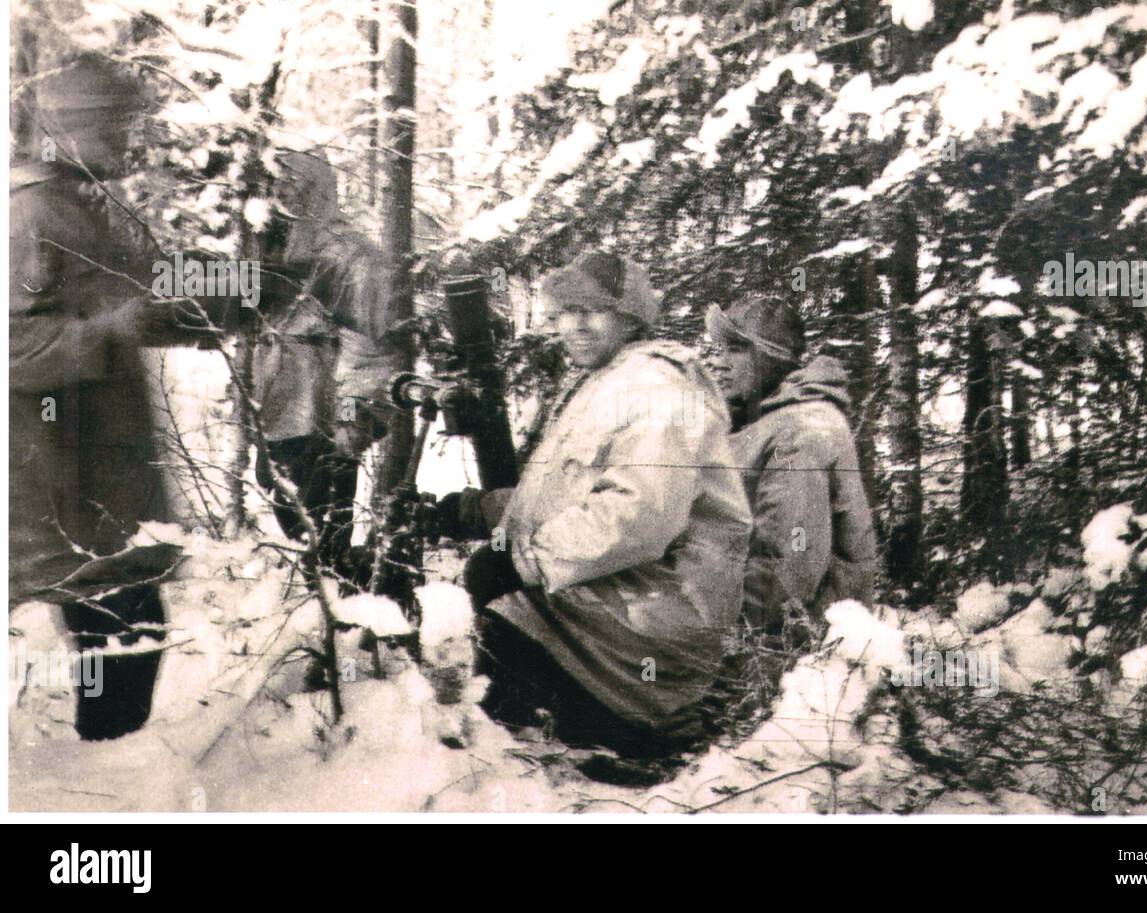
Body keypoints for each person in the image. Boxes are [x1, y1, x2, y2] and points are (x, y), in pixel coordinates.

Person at [9, 54, 250, 739]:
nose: (129, 139)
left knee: (128, 633)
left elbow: (145, 289)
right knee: (125, 635)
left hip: (102, 484)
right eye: (114, 124)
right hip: (63, 483)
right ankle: (100, 783)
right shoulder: (27, 213)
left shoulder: (87, 207)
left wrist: (244, 288)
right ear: (69, 126)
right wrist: (112, 330)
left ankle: (106, 767)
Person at [444, 251, 752, 757]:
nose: (576, 325)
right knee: (491, 611)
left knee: (503, 625)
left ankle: (634, 733)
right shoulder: (609, 380)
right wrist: (478, 512)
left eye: (594, 310)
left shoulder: (656, 388)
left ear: (631, 317)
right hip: (628, 597)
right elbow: (570, 495)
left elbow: (640, 514)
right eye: (565, 312)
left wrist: (527, 561)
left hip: (657, 617)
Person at [252, 151, 399, 571]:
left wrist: (349, 418)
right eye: (276, 182)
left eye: (291, 181)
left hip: (327, 411)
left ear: (316, 188)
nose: (280, 191)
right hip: (280, 409)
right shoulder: (279, 246)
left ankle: (347, 592)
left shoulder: (353, 254)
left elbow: (368, 345)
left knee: (324, 525)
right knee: (284, 501)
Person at [706, 294, 877, 637]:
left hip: (783, 645)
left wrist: (725, 638)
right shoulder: (766, 421)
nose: (718, 362)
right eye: (719, 349)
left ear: (770, 358)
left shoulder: (801, 431)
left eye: (735, 350)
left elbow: (787, 568)